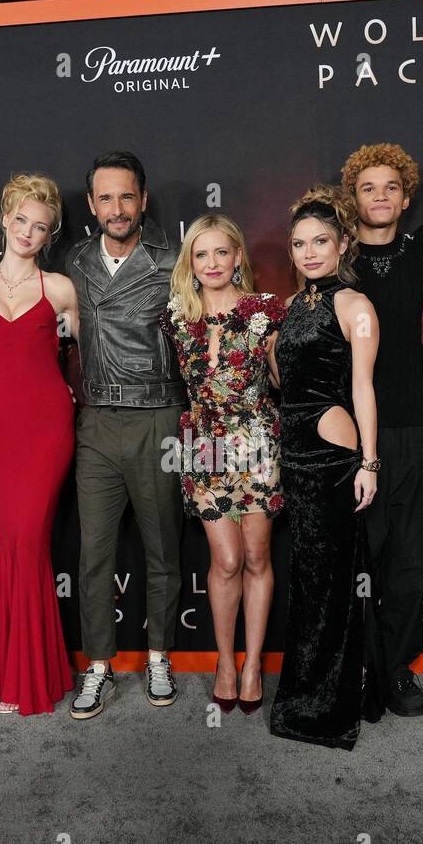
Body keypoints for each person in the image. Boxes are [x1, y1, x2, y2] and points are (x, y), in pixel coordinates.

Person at [65, 151, 184, 718]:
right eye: (105, 198)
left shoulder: (174, 260)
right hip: (95, 422)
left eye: (126, 196)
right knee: (93, 555)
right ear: (91, 205)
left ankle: (159, 655)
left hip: (157, 416)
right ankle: (98, 665)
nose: (117, 208)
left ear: (143, 200)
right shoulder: (74, 260)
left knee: (163, 550)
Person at [0, 174, 78, 715]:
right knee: (11, 544)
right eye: (22, 220)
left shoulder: (60, 289)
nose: (29, 232)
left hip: (48, 426)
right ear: (5, 218)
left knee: (29, 541)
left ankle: (28, 676)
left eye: (41, 226)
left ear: (49, 234)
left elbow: (83, 355)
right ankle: (20, 671)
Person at [268, 186, 379, 750]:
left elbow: (362, 386)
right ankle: (303, 696)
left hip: (332, 456)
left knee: (332, 583)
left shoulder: (353, 305)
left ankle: (327, 709)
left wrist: (369, 463)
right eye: (299, 244)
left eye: (320, 242)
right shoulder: (294, 306)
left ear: (342, 244)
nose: (309, 253)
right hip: (294, 456)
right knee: (310, 581)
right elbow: (284, 381)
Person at [162, 213, 286, 713]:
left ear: (238, 257)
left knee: (257, 558)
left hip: (257, 445)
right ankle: (225, 660)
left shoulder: (266, 311)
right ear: (190, 262)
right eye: (201, 253)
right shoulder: (175, 314)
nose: (212, 263)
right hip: (205, 447)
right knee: (227, 560)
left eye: (221, 252)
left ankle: (253, 663)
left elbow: (284, 381)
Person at [341, 143, 423, 719]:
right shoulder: (337, 259)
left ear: (406, 195)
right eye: (368, 188)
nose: (380, 196)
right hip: (351, 433)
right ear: (353, 197)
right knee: (358, 557)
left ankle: (397, 669)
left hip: (413, 423)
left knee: (406, 559)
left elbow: (421, 331)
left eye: (390, 187)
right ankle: (356, 670)